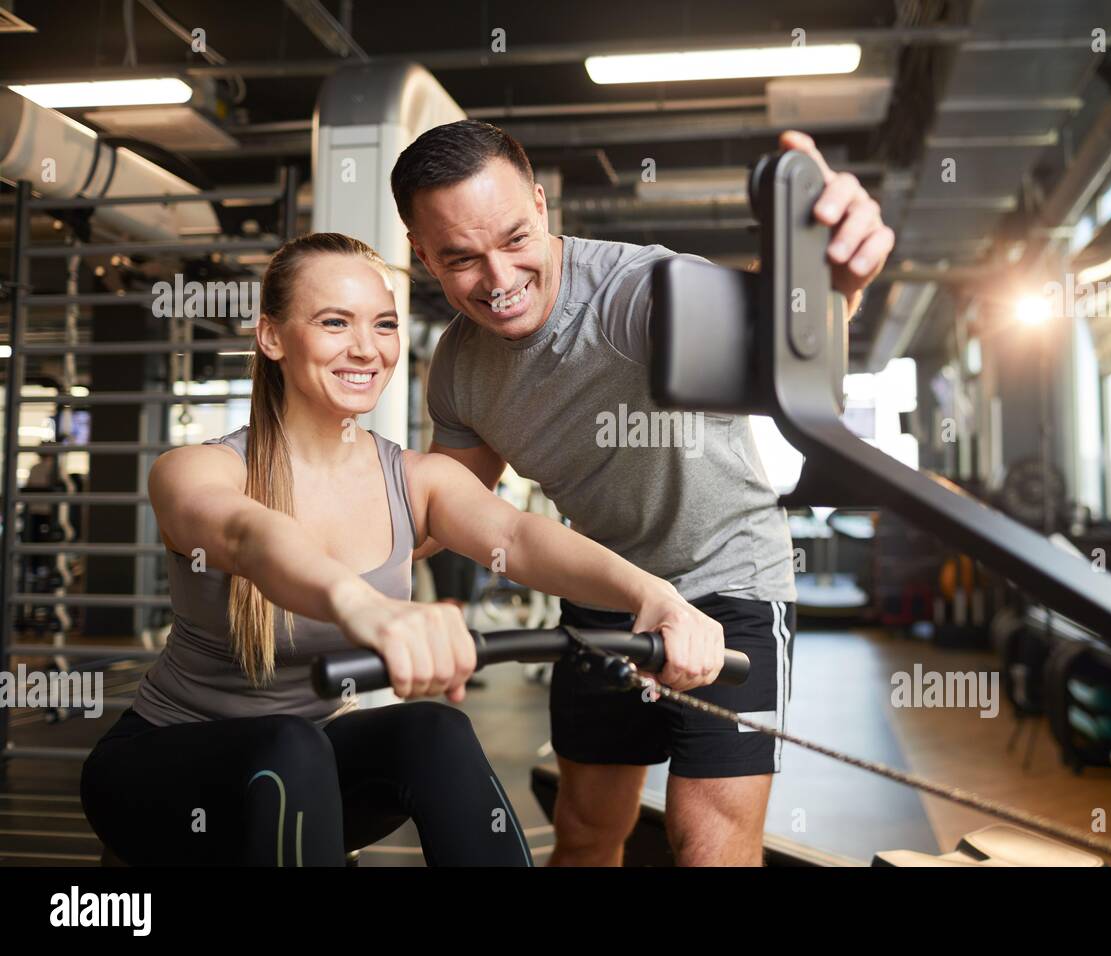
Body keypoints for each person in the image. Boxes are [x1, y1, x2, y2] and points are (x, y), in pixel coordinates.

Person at [79, 232, 725, 867]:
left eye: (384, 324)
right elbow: (251, 538)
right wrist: (365, 608)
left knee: (433, 732)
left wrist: (654, 596)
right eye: (335, 322)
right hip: (162, 775)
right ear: (271, 335)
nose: (367, 347)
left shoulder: (415, 480)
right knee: (289, 747)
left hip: (308, 776)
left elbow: (518, 536)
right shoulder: (195, 471)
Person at [391, 122, 894, 866]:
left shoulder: (641, 295)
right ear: (420, 252)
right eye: (461, 258)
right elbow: (444, 505)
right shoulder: (461, 366)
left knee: (708, 844)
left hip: (730, 587)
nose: (498, 278)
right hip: (604, 598)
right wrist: (318, 546)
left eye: (516, 238)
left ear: (540, 201)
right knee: (587, 833)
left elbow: (782, 345)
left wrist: (827, 276)